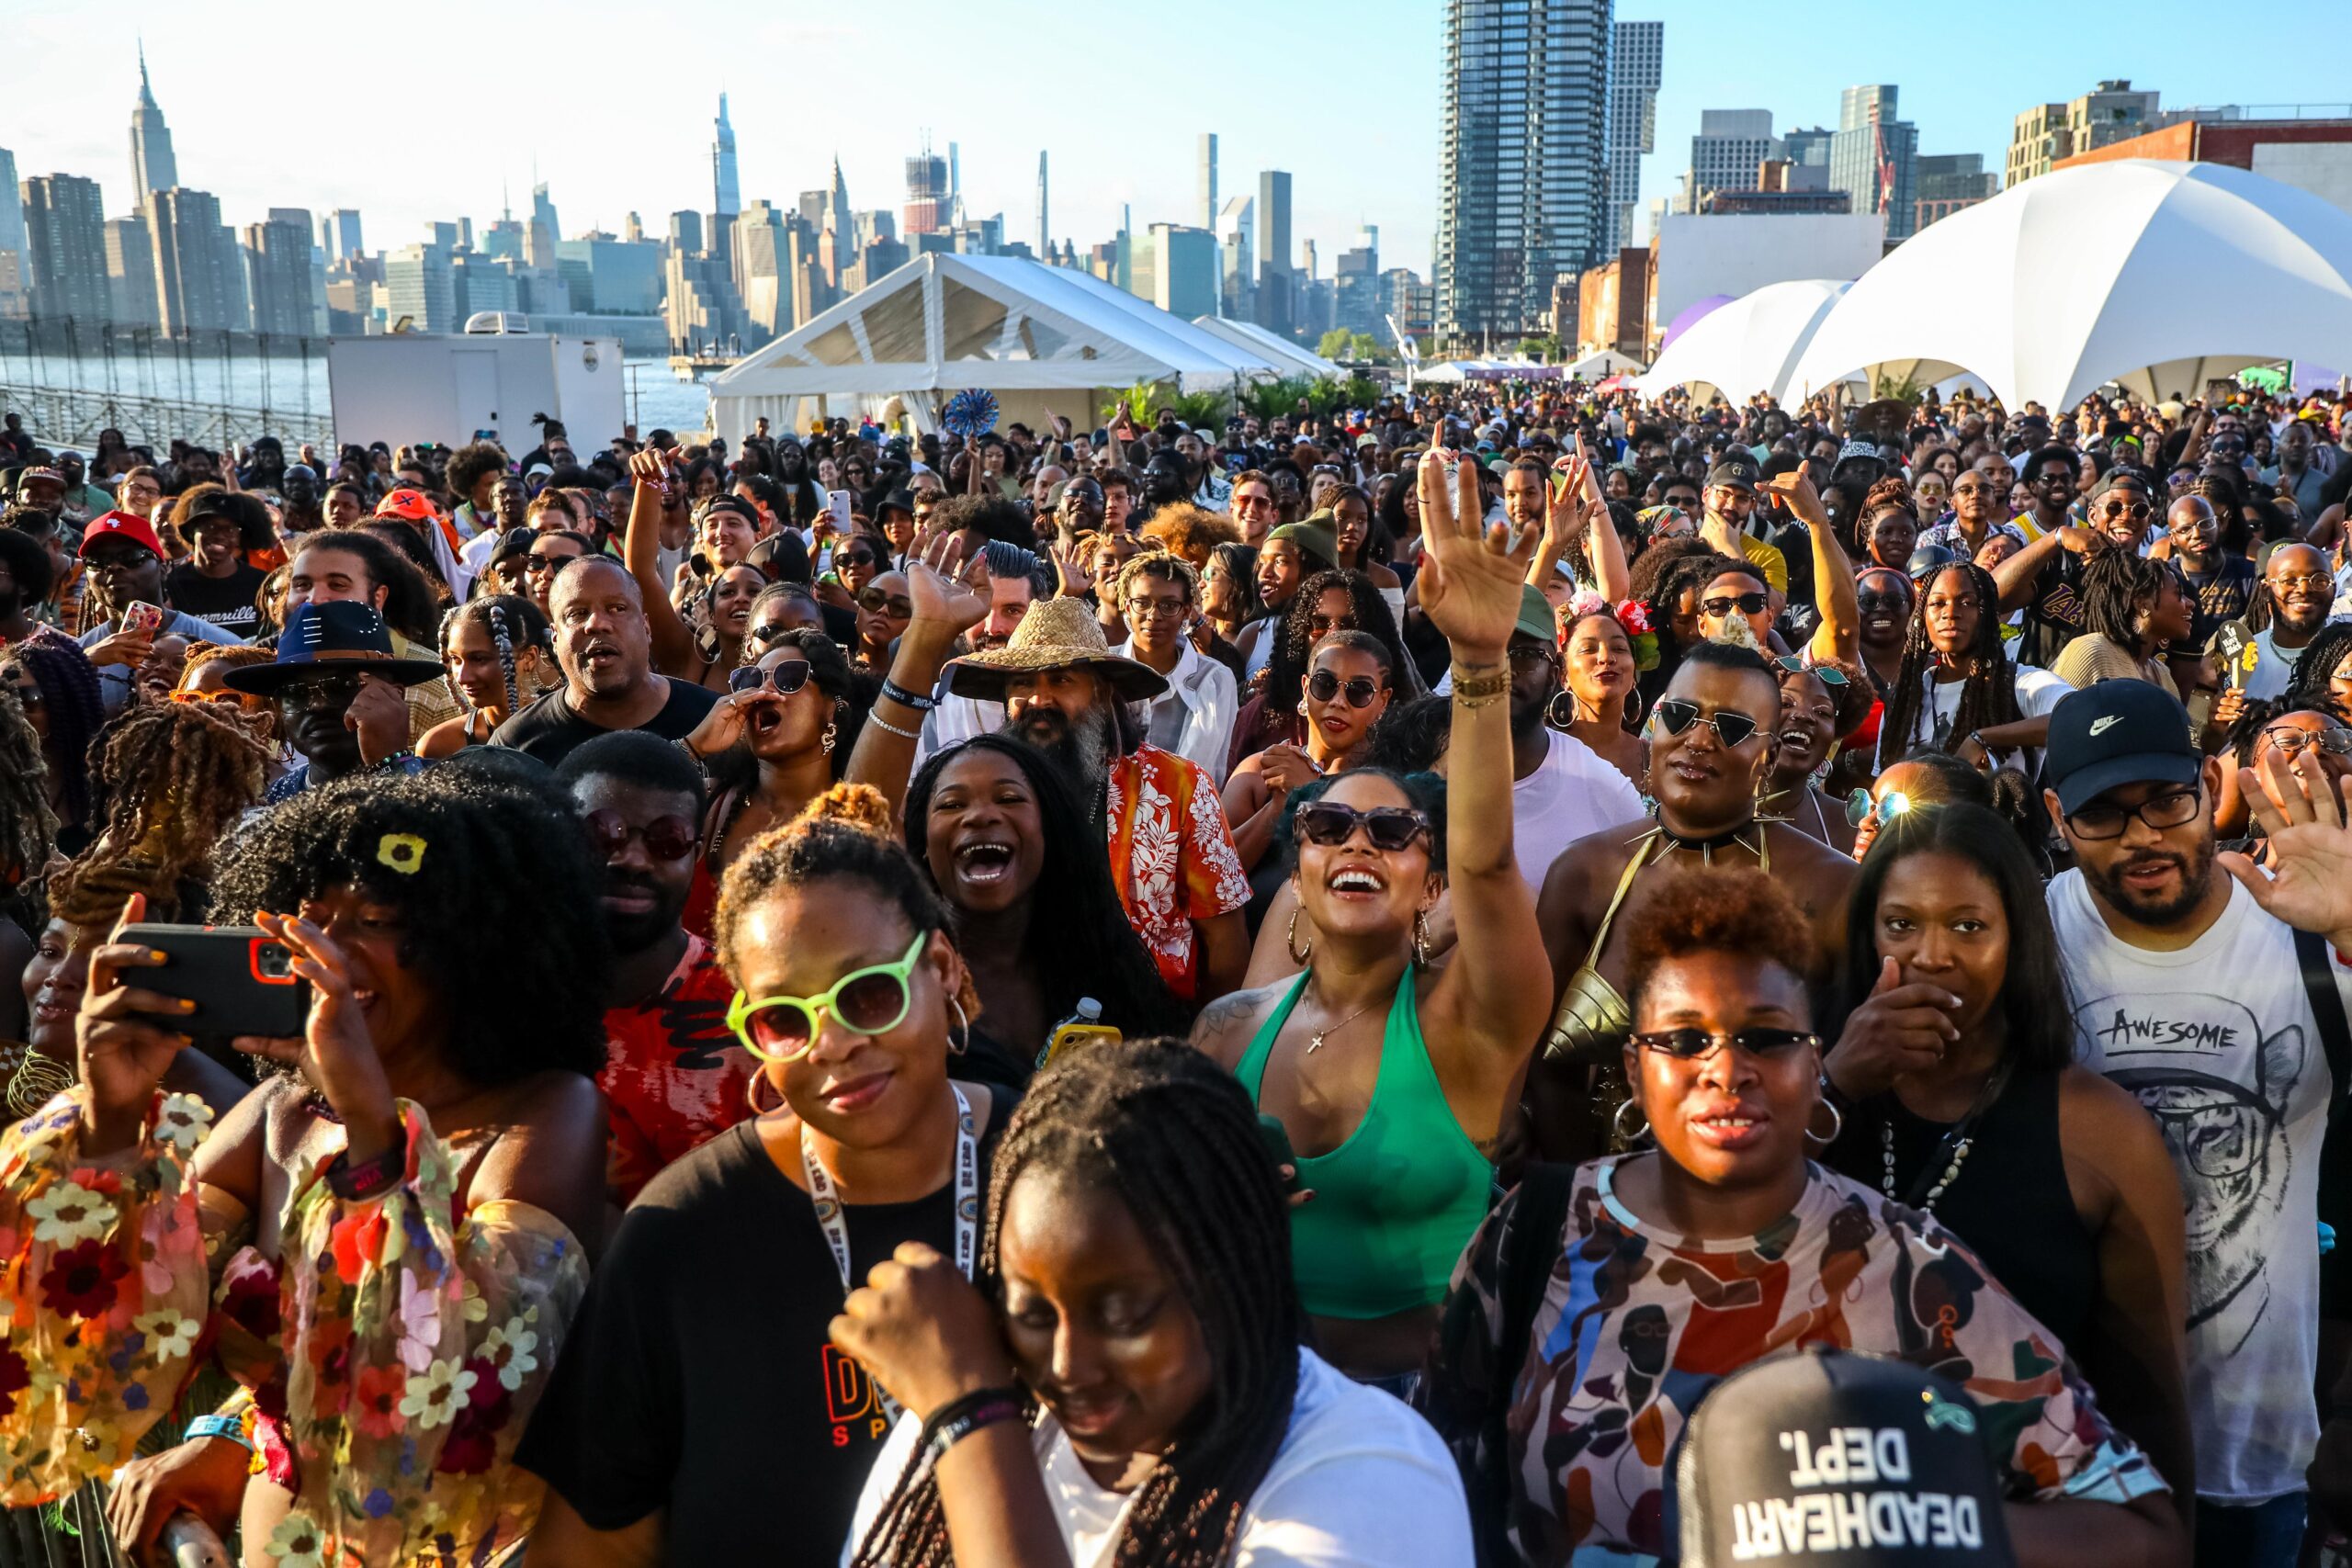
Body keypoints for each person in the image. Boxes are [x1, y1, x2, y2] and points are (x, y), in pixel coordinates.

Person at [1417, 865, 2187, 1566]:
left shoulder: (1908, 1269)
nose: (1725, 1069)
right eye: (1684, 1039)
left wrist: (1912, 1523)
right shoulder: (1540, 1229)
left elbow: (2144, 1530)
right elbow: (1433, 1468)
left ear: (1815, 1059)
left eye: (1766, 1037)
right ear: (1633, 1067)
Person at [23, 770, 610, 1566]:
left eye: (373, 920)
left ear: (474, 943)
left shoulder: (548, 1112)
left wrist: (371, 1121)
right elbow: (103, 1331)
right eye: (311, 919)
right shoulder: (282, 1111)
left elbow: (454, 1397)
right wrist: (111, 1116)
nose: (325, 950)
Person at [518, 786, 1013, 1568]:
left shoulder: (1059, 1173)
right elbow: (590, 1546)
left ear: (944, 971)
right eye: (785, 1016)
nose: (835, 1041)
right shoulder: (681, 1235)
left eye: (870, 992)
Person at [1192, 446, 1554, 1381]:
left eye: (1391, 831)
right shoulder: (1228, 1033)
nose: (1357, 842)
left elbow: (1488, 857)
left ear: (1431, 886)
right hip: (1253, 1413)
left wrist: (1476, 663)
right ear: (1299, 863)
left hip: (1425, 1426)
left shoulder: (1467, 1024)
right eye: (1329, 825)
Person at [834, 1039, 1476, 1566]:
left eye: (1123, 1315)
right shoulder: (985, 1416)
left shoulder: (1376, 1474)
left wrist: (969, 1424)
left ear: (1233, 1275)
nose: (1067, 1364)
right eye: (1030, 1312)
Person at [2041, 678, 2352, 1563]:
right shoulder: (2024, 934)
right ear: (2059, 814)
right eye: (2105, 812)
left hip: (2259, 1453)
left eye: (2168, 800)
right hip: (2073, 1449)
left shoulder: (2306, 925)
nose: (2145, 835)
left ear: (2208, 782)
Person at [1822, 803, 2194, 1495]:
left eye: (1969, 926)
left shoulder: (2098, 1129)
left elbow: (2151, 1401)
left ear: (2015, 938)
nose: (1932, 954)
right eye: (1901, 925)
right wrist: (1833, 1084)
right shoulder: (1811, 1088)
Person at [1534, 641, 1858, 1160]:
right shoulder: (1584, 872)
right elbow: (1542, 1065)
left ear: (1769, 757)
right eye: (1681, 716)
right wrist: (1584, 1193)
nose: (1699, 741)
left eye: (1730, 727)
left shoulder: (1833, 889)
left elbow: (1852, 1065)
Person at [904, 735, 1190, 1087]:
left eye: (1009, 798)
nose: (979, 816)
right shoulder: (905, 984)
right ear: (923, 848)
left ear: (1049, 833)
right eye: (951, 805)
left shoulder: (1102, 963)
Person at [554, 731, 754, 1207]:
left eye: (668, 840)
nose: (633, 860)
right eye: (602, 833)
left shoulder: (755, 1010)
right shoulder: (492, 996)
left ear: (697, 854)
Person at [678, 627, 863, 935]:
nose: (764, 693)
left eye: (789, 679)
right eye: (751, 682)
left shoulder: (856, 816)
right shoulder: (712, 803)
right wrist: (693, 746)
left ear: (832, 709)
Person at [492, 556, 720, 765]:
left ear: (646, 626)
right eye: (577, 613)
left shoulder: (714, 722)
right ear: (554, 636)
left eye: (617, 609)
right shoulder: (515, 745)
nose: (596, 623)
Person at [224, 601, 443, 802]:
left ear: (395, 694)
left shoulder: (448, 788)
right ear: (279, 708)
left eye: (341, 686)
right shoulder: (270, 803)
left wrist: (391, 764)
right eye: (296, 692)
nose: (319, 705)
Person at [1223, 630, 1396, 880]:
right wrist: (1279, 805)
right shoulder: (1261, 772)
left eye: (1359, 690)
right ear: (1306, 688)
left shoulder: (1390, 789)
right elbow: (1213, 876)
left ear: (1383, 701)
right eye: (1324, 684)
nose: (1338, 702)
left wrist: (1311, 795)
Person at [1877, 561, 2070, 772]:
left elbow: (2080, 714)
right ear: (1922, 617)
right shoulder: (1904, 697)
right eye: (1938, 603)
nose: (1950, 613)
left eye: (1966, 602)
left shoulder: (2020, 682)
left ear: (1991, 616)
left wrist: (1982, 738)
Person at [74, 510, 240, 715]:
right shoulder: (77, 656)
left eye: (131, 557)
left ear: (163, 569)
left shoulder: (223, 646)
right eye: (97, 561)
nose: (114, 567)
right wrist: (81, 660)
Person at [1111, 552, 1238, 775]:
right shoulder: (1103, 668)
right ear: (1127, 607)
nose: (1153, 615)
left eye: (1168, 606)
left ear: (1186, 612)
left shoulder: (1214, 680)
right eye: (1142, 603)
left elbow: (1206, 774)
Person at [418, 594, 561, 756]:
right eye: (455, 659)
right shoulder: (440, 745)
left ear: (529, 658)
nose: (463, 677)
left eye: (479, 659)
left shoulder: (572, 734)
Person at [2052, 549, 2195, 698]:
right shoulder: (2091, 651)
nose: (2190, 603)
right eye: (2179, 594)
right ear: (2142, 605)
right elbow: (2053, 717)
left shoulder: (2162, 673)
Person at [1551, 596, 1649, 787]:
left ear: (1635, 673)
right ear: (1564, 675)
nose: (1606, 658)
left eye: (1619, 648)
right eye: (1588, 649)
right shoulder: (1542, 753)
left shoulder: (1655, 759)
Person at [1763, 658, 1857, 852]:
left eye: (1822, 712)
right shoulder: (1710, 808)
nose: (1804, 715)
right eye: (1786, 703)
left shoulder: (1849, 825)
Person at [162, 489, 272, 636]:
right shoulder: (171, 584)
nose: (220, 535)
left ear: (239, 538)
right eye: (210, 527)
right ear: (191, 532)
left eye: (230, 530)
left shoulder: (261, 583)